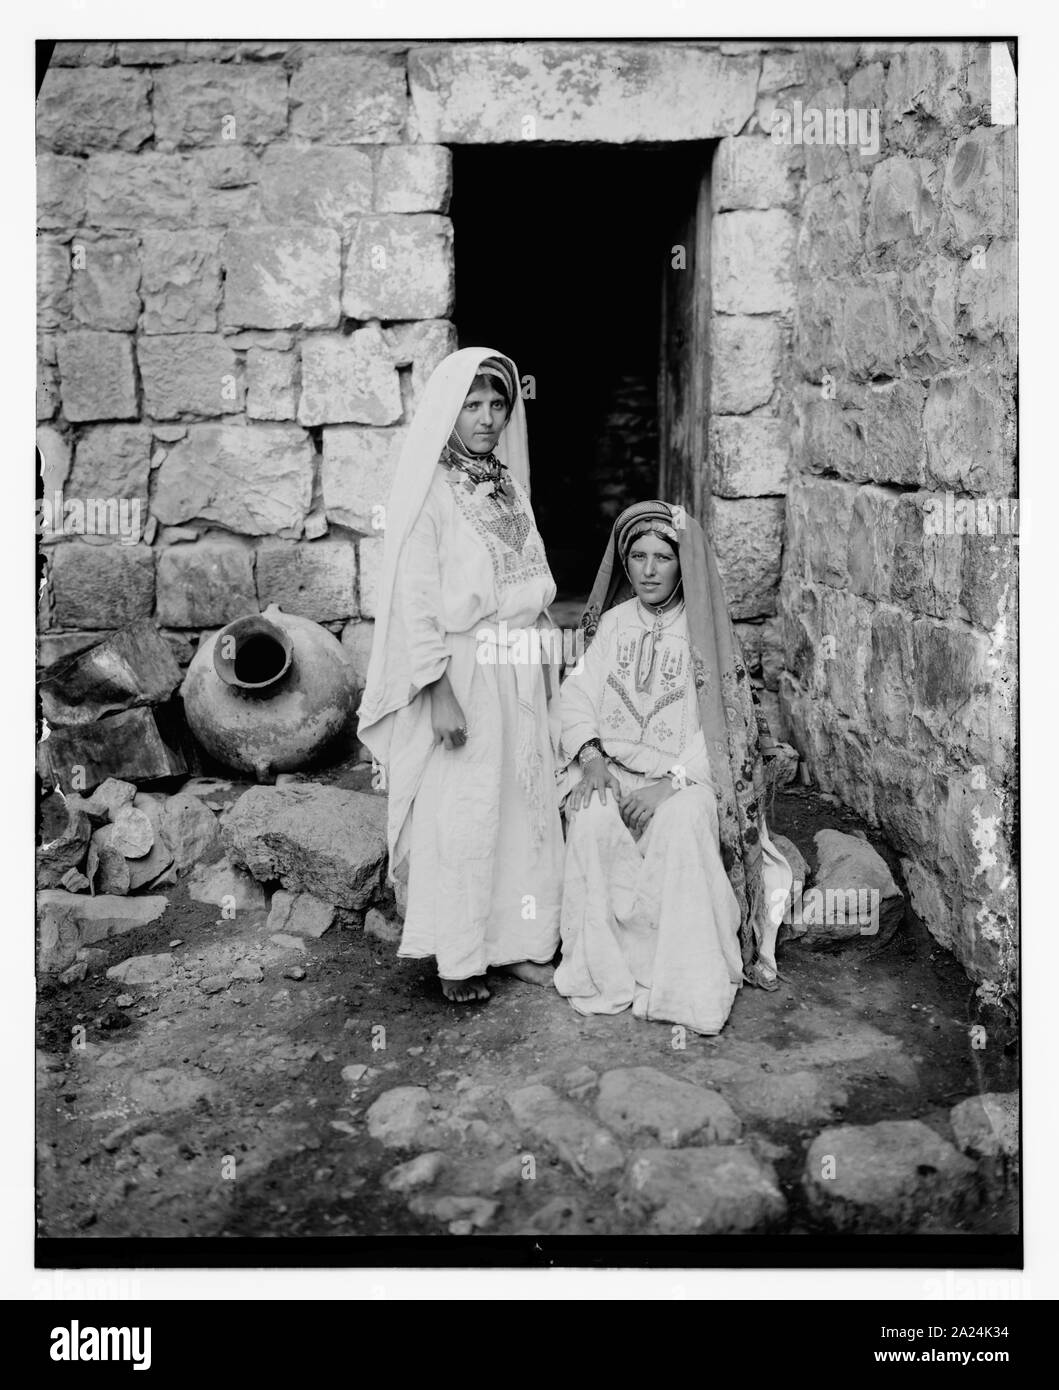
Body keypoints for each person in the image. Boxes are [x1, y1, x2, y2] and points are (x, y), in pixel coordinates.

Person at [357, 348, 563, 1003]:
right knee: (467, 813)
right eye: (471, 405)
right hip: (466, 674)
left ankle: (523, 944)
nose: (485, 417)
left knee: (524, 806)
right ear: (449, 410)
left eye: (496, 404)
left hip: (519, 672)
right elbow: (418, 601)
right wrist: (438, 692)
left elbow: (527, 579)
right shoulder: (432, 495)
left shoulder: (507, 485)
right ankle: (460, 958)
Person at [553, 499, 793, 1035]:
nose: (648, 569)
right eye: (637, 556)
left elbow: (728, 732)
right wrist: (591, 759)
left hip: (685, 781)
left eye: (663, 557)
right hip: (612, 771)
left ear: (684, 563)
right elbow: (576, 696)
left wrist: (671, 783)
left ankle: (681, 983)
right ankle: (608, 970)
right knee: (590, 815)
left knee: (684, 822)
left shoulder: (706, 634)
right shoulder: (612, 624)